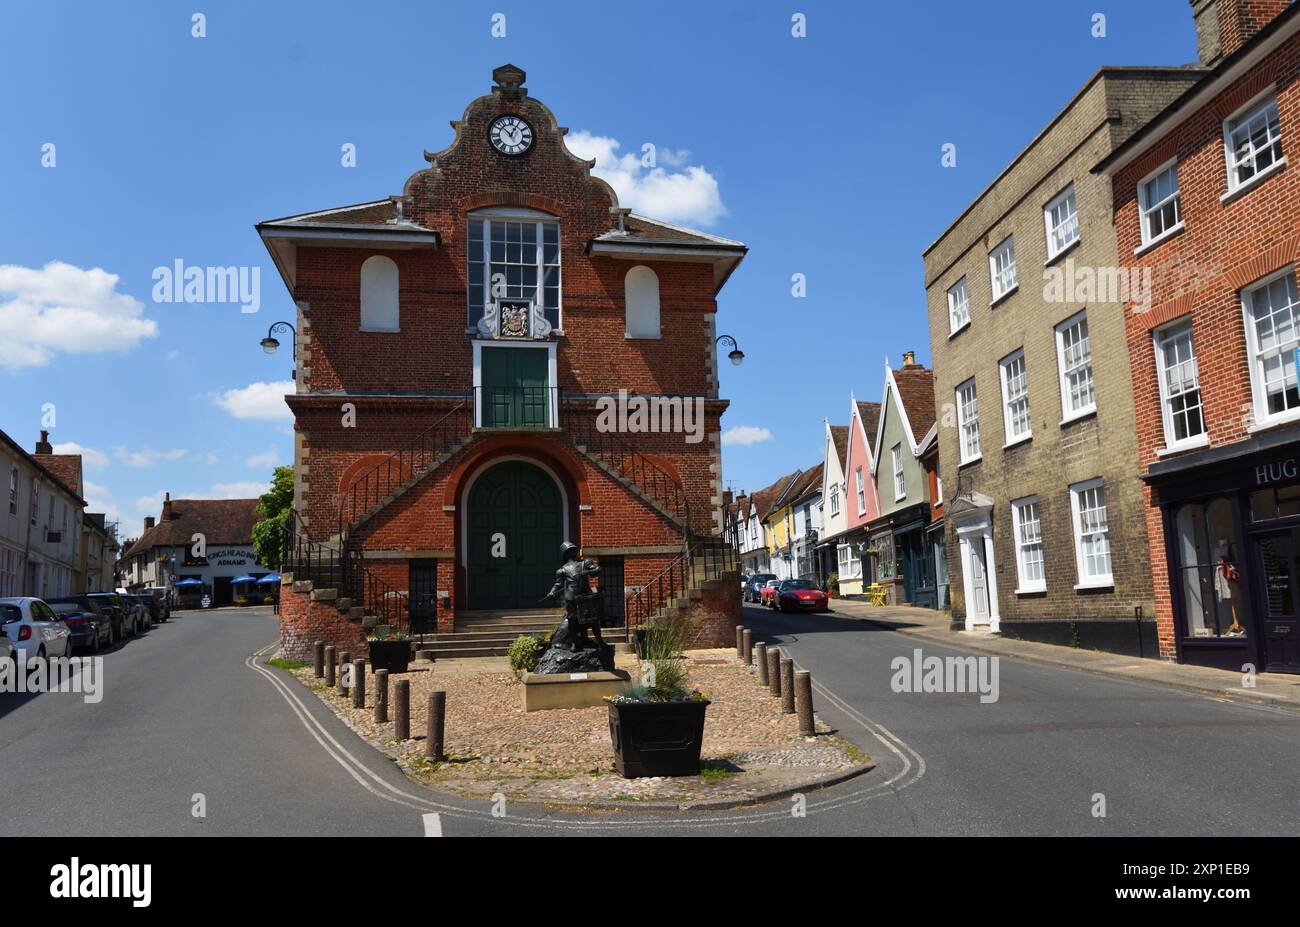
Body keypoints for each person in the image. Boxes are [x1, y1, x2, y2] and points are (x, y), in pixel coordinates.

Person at [540, 541, 604, 651]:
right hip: (571, 598)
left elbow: (598, 570)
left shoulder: (585, 563)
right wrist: (552, 592)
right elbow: (558, 584)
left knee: (593, 619)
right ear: (567, 553)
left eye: (575, 549)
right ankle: (575, 642)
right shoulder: (562, 570)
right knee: (573, 620)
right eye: (573, 550)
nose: (576, 552)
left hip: (585, 596)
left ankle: (597, 640)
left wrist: (588, 572)